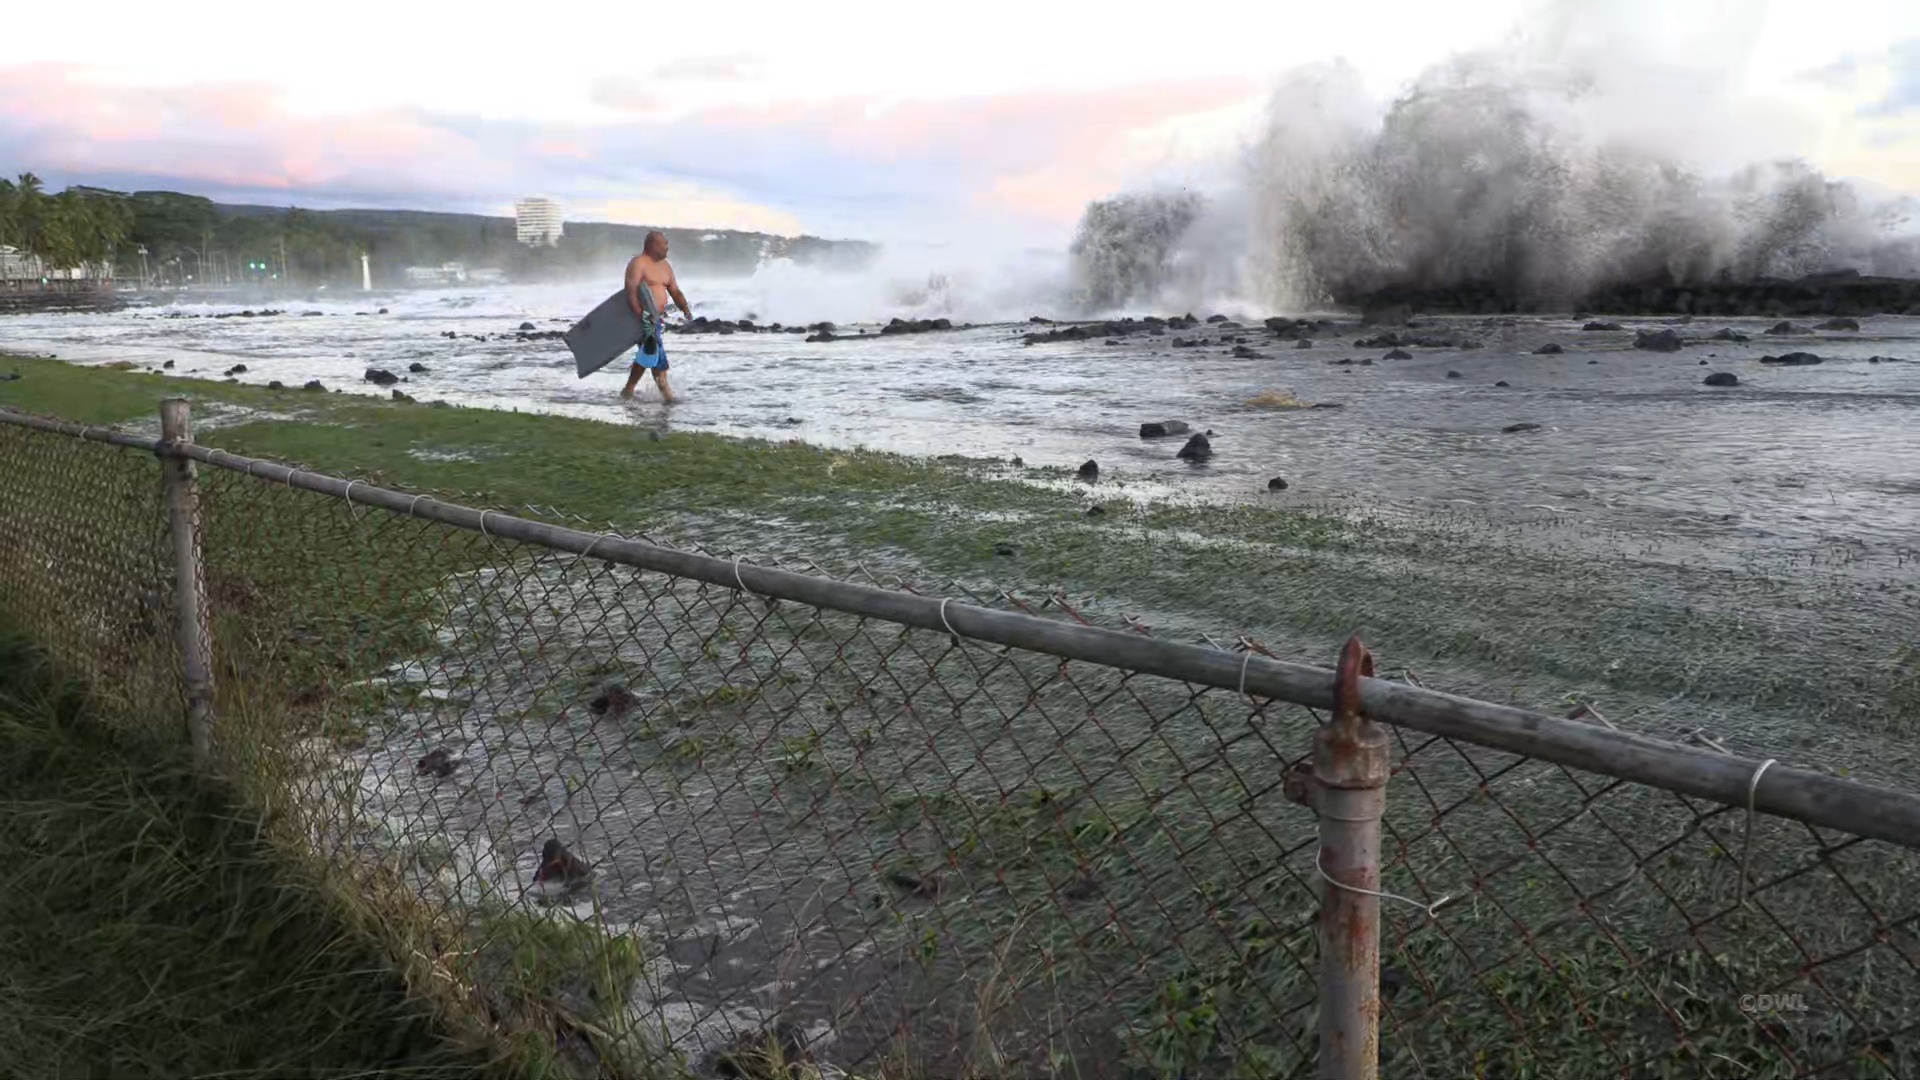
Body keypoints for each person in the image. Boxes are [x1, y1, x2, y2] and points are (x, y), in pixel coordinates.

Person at [620, 230, 694, 402]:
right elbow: (630, 291)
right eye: (664, 244)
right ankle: (667, 397)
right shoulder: (638, 263)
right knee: (655, 353)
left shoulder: (665, 266)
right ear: (653, 245)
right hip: (642, 318)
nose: (667, 247)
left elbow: (674, 290)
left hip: (656, 319)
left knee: (648, 353)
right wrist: (640, 316)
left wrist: (685, 309)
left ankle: (628, 390)